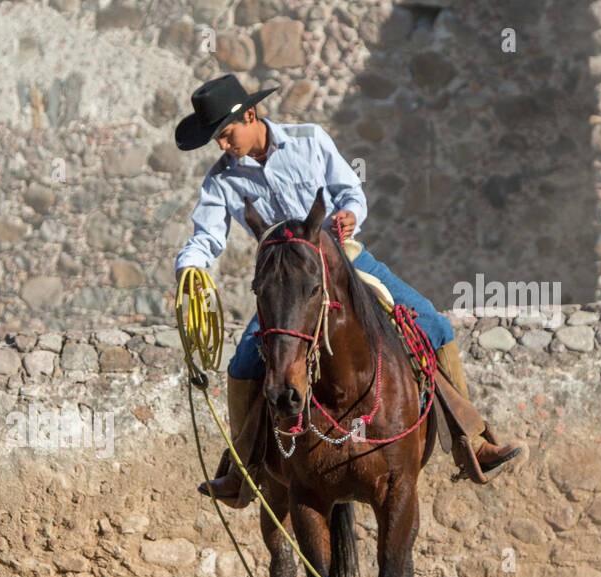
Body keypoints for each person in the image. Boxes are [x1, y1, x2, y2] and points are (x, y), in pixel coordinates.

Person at [173, 74, 525, 507]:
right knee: (244, 364)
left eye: (227, 135)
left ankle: (471, 440)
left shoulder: (310, 140)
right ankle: (243, 469)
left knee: (431, 323)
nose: (224, 146)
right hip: (288, 286)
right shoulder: (221, 180)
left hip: (347, 263)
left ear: (250, 115)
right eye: (218, 140)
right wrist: (189, 267)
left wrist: (350, 216)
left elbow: (349, 192)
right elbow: (207, 237)